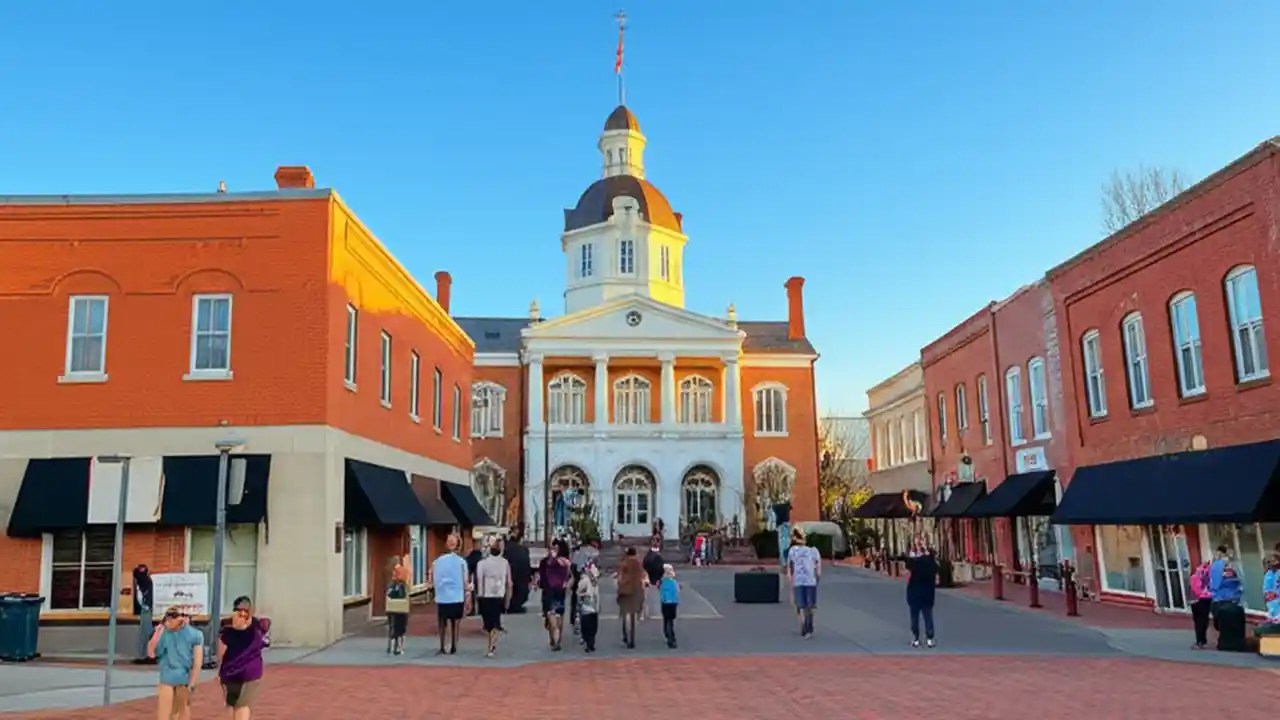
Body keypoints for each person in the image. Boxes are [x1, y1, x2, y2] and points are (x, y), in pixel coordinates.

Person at [148, 606, 203, 720]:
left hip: (184, 677)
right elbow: (151, 653)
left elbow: (197, 662)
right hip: (167, 676)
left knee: (181, 712)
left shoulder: (194, 634)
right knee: (164, 713)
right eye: (168, 617)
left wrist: (192, 683)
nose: (169, 621)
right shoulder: (163, 633)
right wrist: (157, 633)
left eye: (173, 617)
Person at [218, 596, 267, 720]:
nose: (242, 614)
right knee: (232, 706)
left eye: (246, 612)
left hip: (249, 673)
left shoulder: (256, 626)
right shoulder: (227, 628)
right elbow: (221, 647)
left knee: (242, 706)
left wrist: (249, 621)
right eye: (239, 611)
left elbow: (265, 624)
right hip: (230, 672)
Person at [429, 533, 470, 655]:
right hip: (457, 596)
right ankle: (454, 645)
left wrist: (434, 590)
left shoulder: (437, 561)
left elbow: (432, 577)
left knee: (442, 622)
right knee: (455, 622)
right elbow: (465, 580)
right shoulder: (462, 562)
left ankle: (442, 645)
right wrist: (467, 594)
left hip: (442, 596)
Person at [476, 538, 512, 658]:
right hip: (499, 594)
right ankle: (492, 643)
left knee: (489, 622)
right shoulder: (505, 563)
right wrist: (508, 598)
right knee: (495, 620)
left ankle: (491, 645)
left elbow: (479, 580)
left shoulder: (482, 563)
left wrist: (479, 595)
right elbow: (509, 582)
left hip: (486, 595)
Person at [786, 527, 821, 638]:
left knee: (800, 606)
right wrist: (817, 580)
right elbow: (818, 571)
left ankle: (804, 627)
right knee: (810, 606)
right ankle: (809, 625)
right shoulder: (814, 551)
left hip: (798, 581)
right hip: (811, 581)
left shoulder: (792, 551)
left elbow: (789, 569)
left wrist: (790, 582)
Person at [537, 539, 572, 651]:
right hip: (559, 591)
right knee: (558, 615)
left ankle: (555, 639)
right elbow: (569, 576)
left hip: (549, 592)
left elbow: (541, 577)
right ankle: (556, 639)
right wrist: (566, 584)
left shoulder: (546, 562)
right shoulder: (565, 562)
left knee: (552, 616)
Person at [904, 535, 938, 648]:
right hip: (926, 593)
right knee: (927, 616)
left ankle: (917, 638)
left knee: (916, 617)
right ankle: (928, 638)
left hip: (915, 593)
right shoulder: (929, 560)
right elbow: (935, 570)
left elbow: (907, 574)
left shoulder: (913, 561)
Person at [616, 546, 645, 649]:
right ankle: (632, 638)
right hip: (636, 591)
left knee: (625, 616)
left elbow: (619, 578)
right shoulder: (639, 563)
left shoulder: (624, 563)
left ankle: (626, 636)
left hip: (625, 591)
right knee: (633, 617)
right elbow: (642, 577)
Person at [576, 562, 601, 653]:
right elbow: (578, 593)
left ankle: (590, 643)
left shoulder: (595, 583)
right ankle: (589, 643)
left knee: (593, 628)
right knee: (587, 627)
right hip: (586, 607)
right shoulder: (584, 581)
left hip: (593, 608)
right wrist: (584, 595)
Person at [1189, 560, 1213, 649]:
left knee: (1199, 621)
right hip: (1207, 599)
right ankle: (1202, 640)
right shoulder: (1210, 575)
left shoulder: (1195, 577)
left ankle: (1200, 641)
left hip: (1197, 600)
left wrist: (1201, 594)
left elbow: (1195, 589)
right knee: (1203, 620)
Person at [134, 565, 155, 665]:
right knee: (145, 632)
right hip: (144, 609)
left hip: (147, 609)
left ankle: (148, 655)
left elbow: (147, 596)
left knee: (147, 632)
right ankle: (146, 655)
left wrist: (146, 605)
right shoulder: (141, 582)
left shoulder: (146, 582)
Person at [642, 542, 665, 621]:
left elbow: (644, 565)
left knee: (647, 597)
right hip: (656, 579)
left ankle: (646, 613)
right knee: (656, 597)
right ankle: (656, 613)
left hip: (648, 578)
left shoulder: (647, 556)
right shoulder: (658, 557)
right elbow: (661, 568)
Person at [659, 563, 680, 649]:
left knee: (666, 619)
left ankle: (668, 635)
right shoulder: (673, 582)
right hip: (673, 603)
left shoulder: (663, 582)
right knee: (670, 621)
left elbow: (661, 591)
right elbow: (677, 592)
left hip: (665, 603)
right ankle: (671, 638)